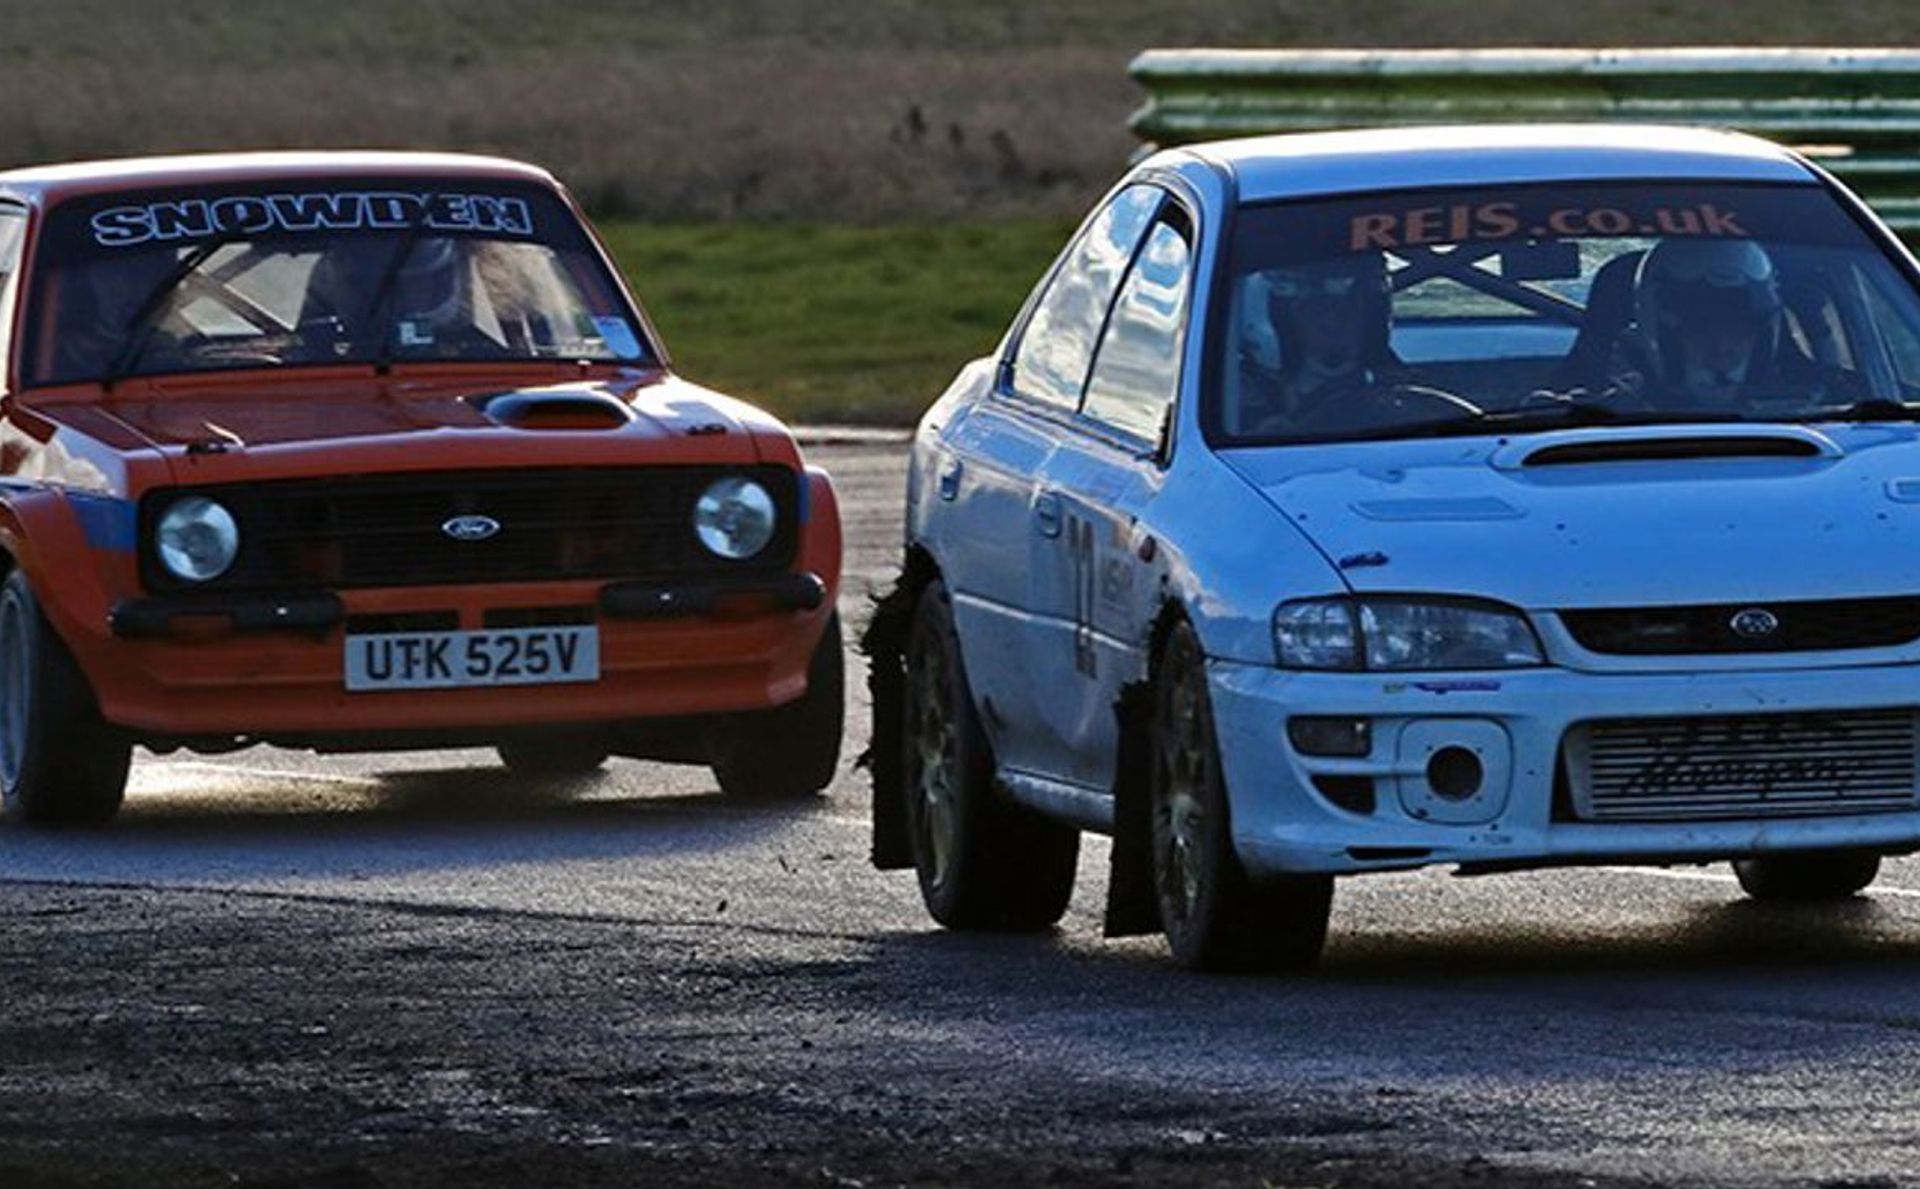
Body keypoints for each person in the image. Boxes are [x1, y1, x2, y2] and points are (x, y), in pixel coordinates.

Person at [1579, 237, 1864, 411]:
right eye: (1701, 329)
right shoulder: (1587, 422)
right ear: (1659, 331)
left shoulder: (1828, 412)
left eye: (1741, 330)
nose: (1723, 351)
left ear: (1766, 336)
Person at [1236, 251, 1418, 432]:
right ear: (1276, 322)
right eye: (1315, 311)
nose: (1335, 322)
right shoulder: (1225, 412)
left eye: (1350, 309)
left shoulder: (1405, 403)